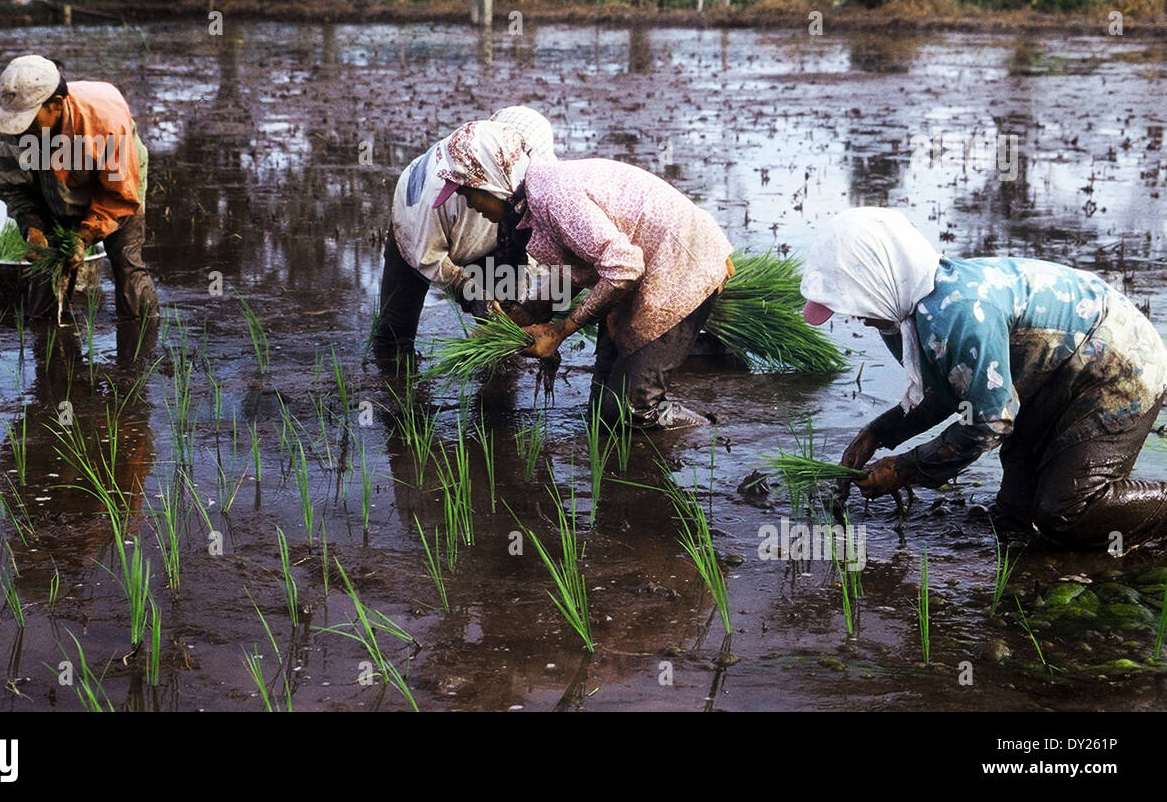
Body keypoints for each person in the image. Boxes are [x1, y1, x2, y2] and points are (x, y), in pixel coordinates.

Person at [801, 206, 1167, 549]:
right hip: (1052, 379)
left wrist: (903, 468)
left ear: (880, 280)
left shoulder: (958, 314)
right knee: (1013, 518)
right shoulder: (907, 314)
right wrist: (878, 434)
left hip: (1119, 365)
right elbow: (951, 392)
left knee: (1064, 510)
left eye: (856, 305)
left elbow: (989, 422)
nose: (859, 319)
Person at [437, 156, 734, 430]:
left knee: (631, 412)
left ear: (490, 182)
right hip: (642, 273)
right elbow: (583, 267)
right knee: (602, 411)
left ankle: (711, 428)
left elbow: (624, 267)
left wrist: (561, 330)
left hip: (680, 268)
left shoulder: (553, 199)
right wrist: (528, 312)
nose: (469, 204)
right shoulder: (533, 198)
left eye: (467, 193)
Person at [373, 107, 557, 356]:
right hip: (415, 237)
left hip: (490, 239)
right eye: (466, 193)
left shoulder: (526, 180)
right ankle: (393, 383)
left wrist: (522, 304)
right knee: (394, 337)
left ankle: (498, 385)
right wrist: (469, 292)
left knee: (504, 330)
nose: (469, 200)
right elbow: (429, 258)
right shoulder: (437, 197)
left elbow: (540, 247)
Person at [0, 54, 158, 322]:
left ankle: (140, 343)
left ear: (56, 105)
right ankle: (48, 346)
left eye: (30, 123)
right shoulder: (12, 128)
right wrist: (32, 228)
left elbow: (118, 195)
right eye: (17, 123)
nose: (20, 132)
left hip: (118, 184)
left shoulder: (104, 122)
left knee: (127, 263)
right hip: (50, 184)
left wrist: (83, 236)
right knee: (48, 269)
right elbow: (12, 188)